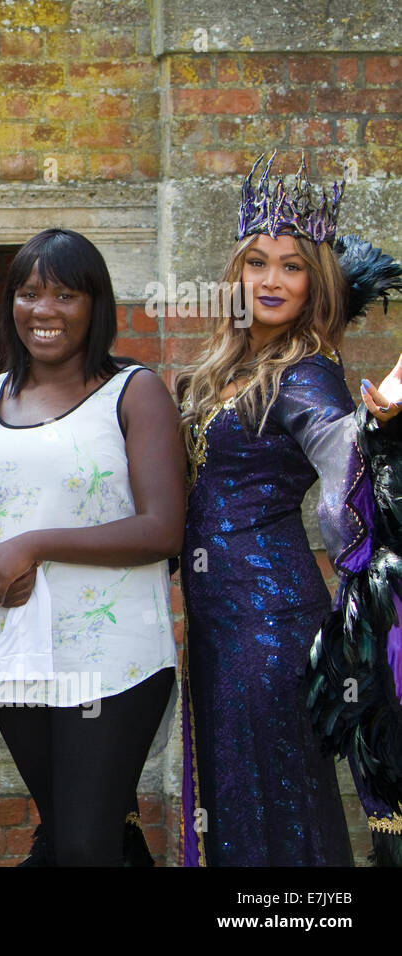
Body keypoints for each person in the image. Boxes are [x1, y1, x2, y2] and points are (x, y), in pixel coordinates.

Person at [177, 154, 402, 865]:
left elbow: (340, 451)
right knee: (237, 796)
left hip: (268, 622)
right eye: (257, 263)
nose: (271, 281)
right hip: (218, 617)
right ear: (237, 275)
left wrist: (378, 422)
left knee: (274, 798)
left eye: (292, 266)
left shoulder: (305, 373)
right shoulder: (231, 364)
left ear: (316, 282)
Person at [0, 228, 181, 867]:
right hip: (12, 652)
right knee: (73, 833)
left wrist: (34, 544)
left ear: (96, 306)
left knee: (82, 844)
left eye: (65, 295)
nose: (44, 311)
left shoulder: (133, 392)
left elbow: (163, 528)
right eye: (29, 294)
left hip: (113, 657)